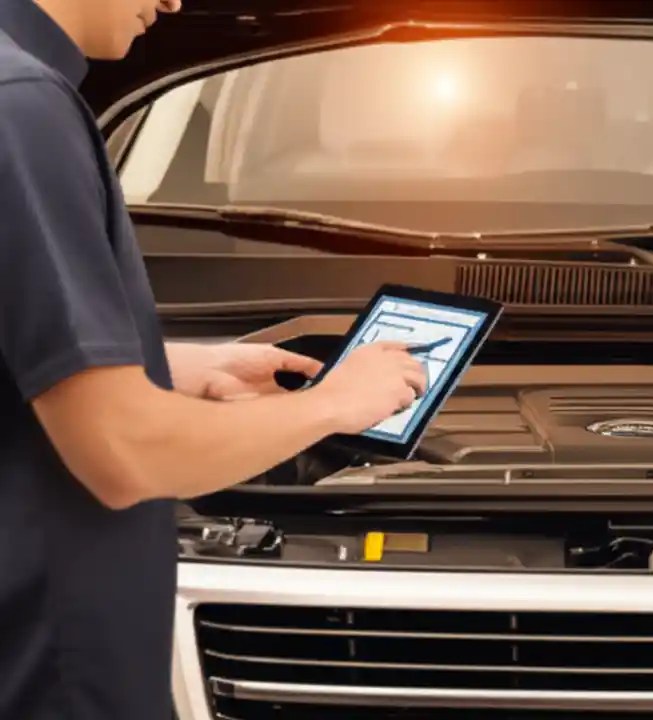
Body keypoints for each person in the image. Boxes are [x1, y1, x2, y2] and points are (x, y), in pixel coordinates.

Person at [0, 1, 429, 718]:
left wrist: (161, 365)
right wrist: (334, 403)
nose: (173, 0)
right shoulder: (24, 109)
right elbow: (125, 453)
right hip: (53, 670)